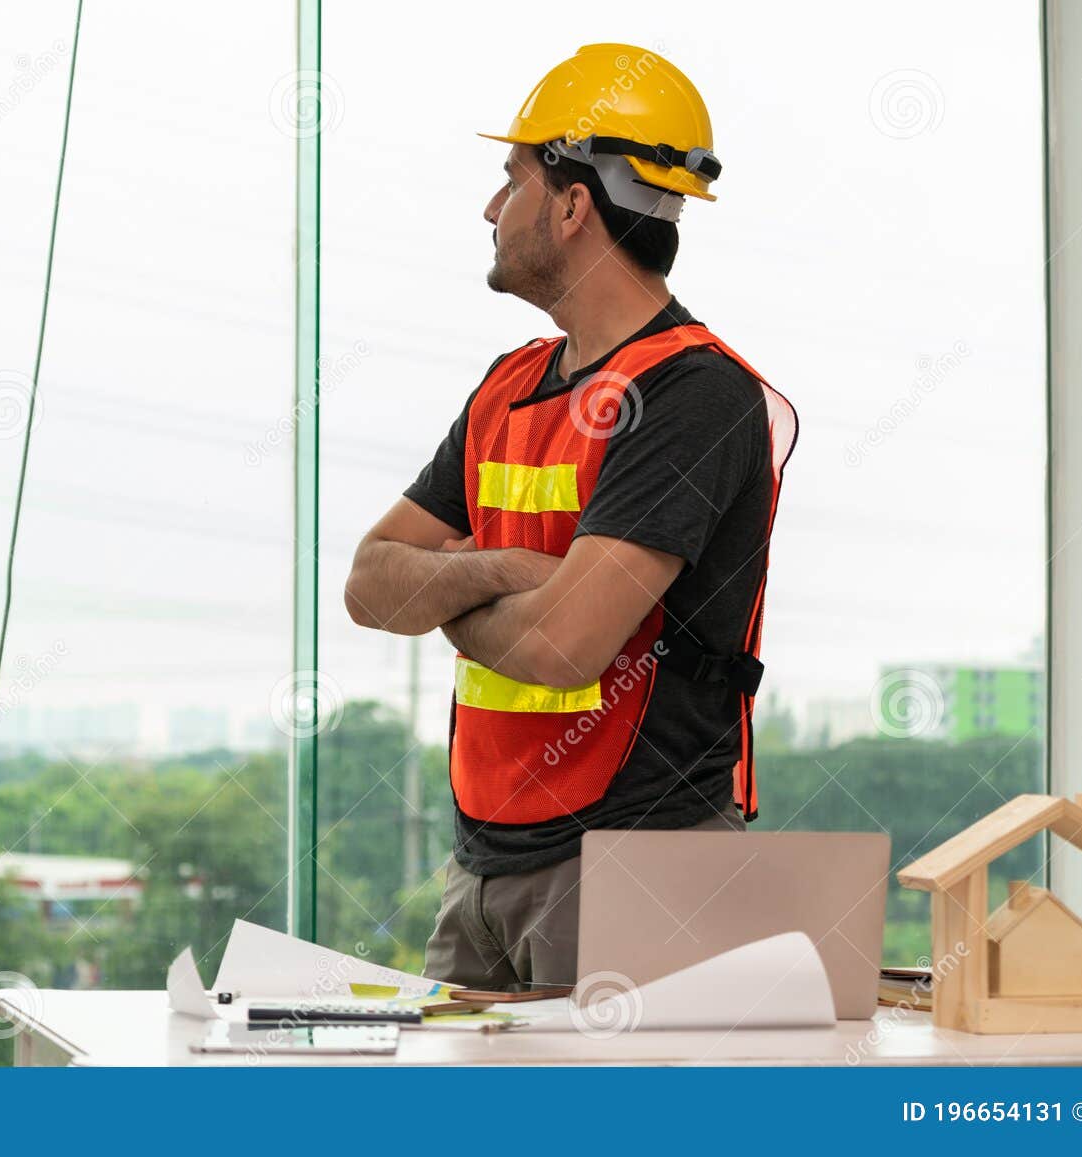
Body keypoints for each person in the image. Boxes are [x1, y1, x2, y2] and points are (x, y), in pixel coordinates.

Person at [344, 43, 797, 987]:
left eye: (509, 178)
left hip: (634, 870)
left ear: (572, 204)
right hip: (480, 869)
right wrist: (503, 571)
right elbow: (368, 585)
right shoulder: (509, 387)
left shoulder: (691, 395)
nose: (488, 208)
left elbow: (564, 647)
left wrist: (444, 597)